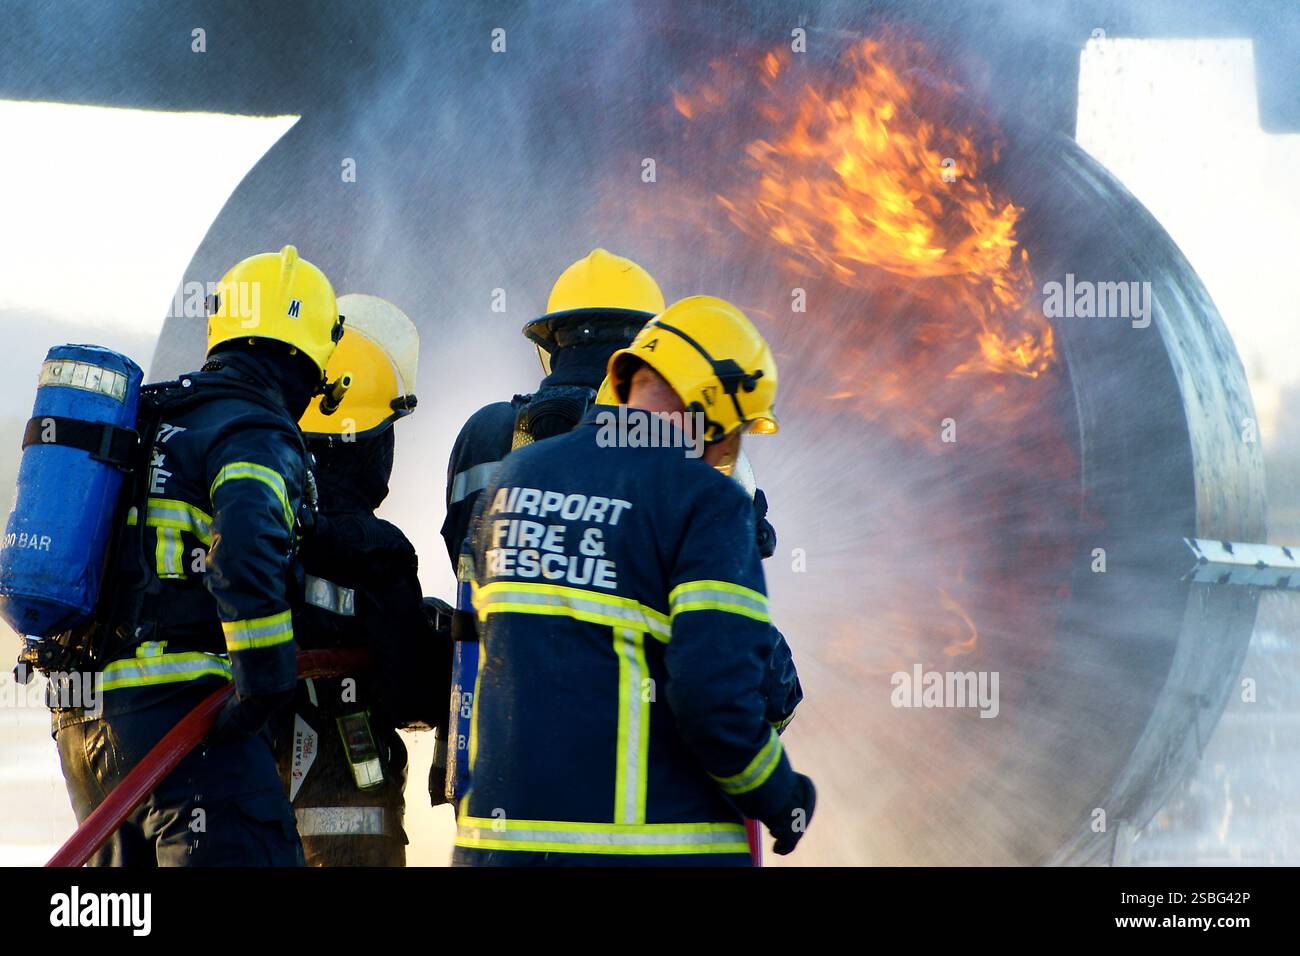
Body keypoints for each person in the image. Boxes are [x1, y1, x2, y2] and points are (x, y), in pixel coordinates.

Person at [453, 295, 815, 866]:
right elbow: (715, 702)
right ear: (713, 406)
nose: (729, 451)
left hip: (495, 851)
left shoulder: (519, 473)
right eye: (737, 431)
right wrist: (783, 795)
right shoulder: (704, 500)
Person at [52, 245, 342, 866]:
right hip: (184, 718)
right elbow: (244, 552)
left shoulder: (155, 414)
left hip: (85, 725)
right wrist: (263, 684)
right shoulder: (252, 429)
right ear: (315, 352)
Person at [274, 294, 449, 866]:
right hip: (352, 815)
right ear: (374, 443)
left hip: (248, 801)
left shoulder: (257, 517)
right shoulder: (379, 552)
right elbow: (410, 695)